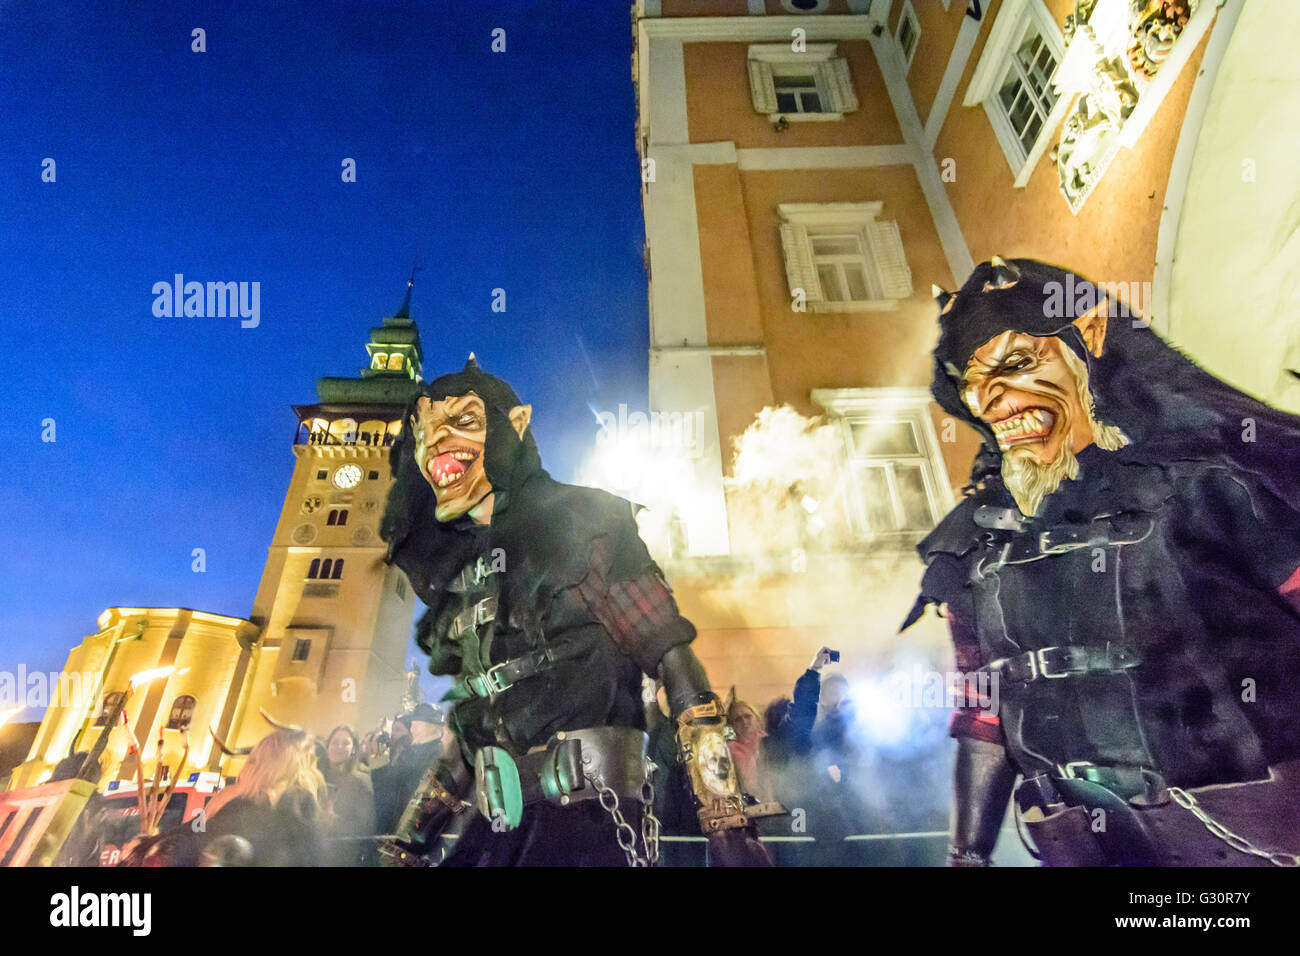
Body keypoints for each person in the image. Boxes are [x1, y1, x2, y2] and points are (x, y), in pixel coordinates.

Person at [907, 257, 1300, 866]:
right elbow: (984, 712)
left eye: (1015, 365)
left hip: (1257, 849)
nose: (991, 401)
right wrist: (967, 857)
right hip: (1093, 850)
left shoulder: (1210, 481)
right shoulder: (976, 543)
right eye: (969, 382)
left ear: (1087, 336)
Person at [377, 357, 770, 866]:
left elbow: (681, 676)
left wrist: (726, 826)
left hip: (591, 829)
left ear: (515, 426)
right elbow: (463, 745)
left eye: (466, 422)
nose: (437, 445)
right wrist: (406, 844)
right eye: (426, 432)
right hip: (497, 833)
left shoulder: (587, 527)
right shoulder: (464, 578)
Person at [131, 728, 329, 867]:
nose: (245, 768)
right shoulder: (239, 801)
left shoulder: (278, 806)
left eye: (253, 761)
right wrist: (149, 842)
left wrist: (149, 844)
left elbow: (196, 831)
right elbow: (196, 825)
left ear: (270, 766)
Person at [375, 703, 443, 834]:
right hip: (399, 819)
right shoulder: (411, 750)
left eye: (418, 724)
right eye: (412, 724)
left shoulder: (437, 753)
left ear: (433, 727)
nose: (413, 729)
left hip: (419, 825)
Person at [322, 725, 376, 865]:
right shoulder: (316, 777)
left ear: (353, 749)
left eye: (345, 743)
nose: (339, 747)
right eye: (335, 742)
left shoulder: (360, 782)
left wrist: (333, 821)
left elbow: (366, 827)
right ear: (327, 746)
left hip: (342, 858)